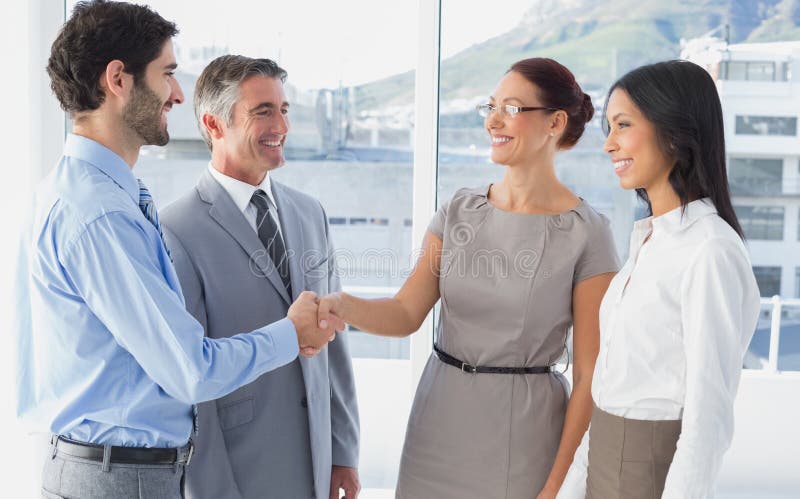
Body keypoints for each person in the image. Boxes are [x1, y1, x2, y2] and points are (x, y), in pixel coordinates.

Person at [14, 3, 339, 498]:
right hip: (121, 480)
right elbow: (192, 370)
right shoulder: (101, 214)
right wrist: (291, 334)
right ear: (118, 79)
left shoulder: (86, 194)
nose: (178, 93)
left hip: (117, 472)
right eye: (167, 73)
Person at [317, 58, 620, 498]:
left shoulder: (588, 232)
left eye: (512, 108)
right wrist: (339, 305)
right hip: (439, 422)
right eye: (490, 106)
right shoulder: (459, 210)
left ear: (555, 122)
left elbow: (591, 375)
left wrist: (557, 485)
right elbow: (405, 312)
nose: (493, 120)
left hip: (526, 434)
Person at [556, 60, 761, 499]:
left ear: (674, 130)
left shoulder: (709, 250)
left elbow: (708, 418)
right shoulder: (648, 242)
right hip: (603, 466)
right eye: (608, 128)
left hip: (650, 477)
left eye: (623, 125)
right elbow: (609, 392)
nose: (609, 145)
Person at [160, 55, 360, 499]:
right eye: (263, 111)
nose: (282, 126)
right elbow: (190, 383)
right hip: (240, 469)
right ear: (214, 125)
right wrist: (210, 490)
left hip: (316, 459)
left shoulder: (310, 213)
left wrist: (343, 450)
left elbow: (336, 342)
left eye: (283, 109)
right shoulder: (175, 230)